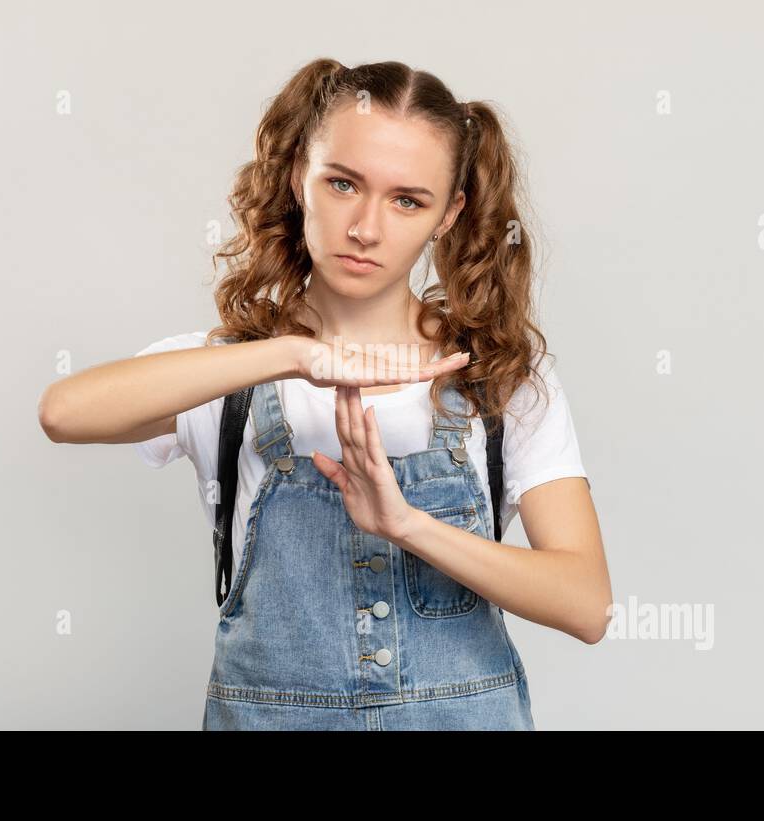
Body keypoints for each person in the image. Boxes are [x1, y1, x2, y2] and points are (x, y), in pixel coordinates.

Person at [39, 58, 612, 730]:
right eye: (343, 183)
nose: (366, 227)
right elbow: (62, 412)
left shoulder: (500, 375)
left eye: (408, 200)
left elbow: (587, 604)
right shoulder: (233, 377)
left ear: (448, 215)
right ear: (297, 178)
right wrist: (292, 355)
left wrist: (408, 525)